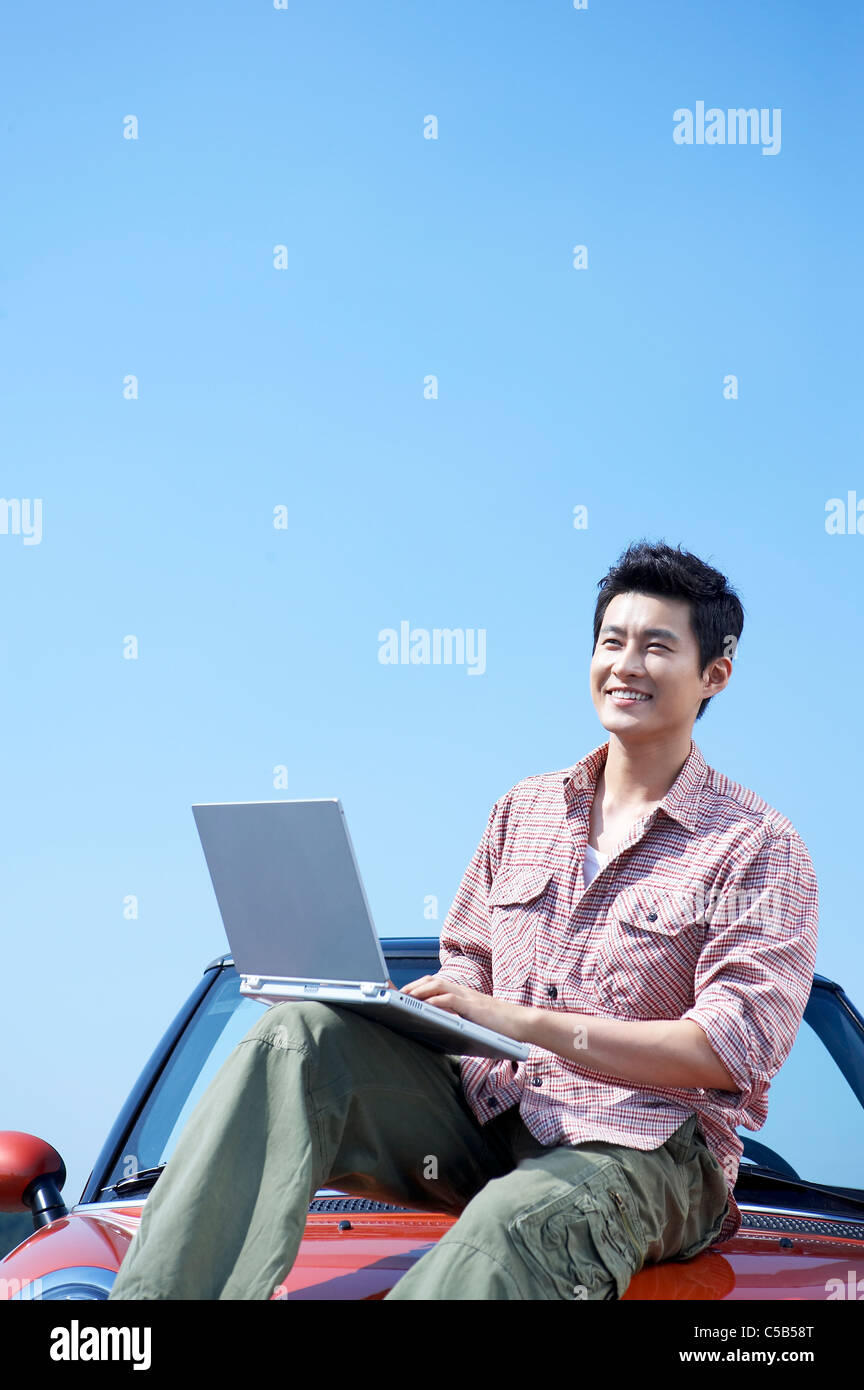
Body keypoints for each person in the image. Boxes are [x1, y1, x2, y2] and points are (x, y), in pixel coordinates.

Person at [108, 538, 818, 1300]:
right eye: (611, 642)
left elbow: (727, 1049)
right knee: (297, 1036)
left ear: (715, 673)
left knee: (505, 1230)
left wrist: (519, 1021)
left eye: (657, 647)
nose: (626, 665)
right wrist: (414, 1011)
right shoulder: (524, 809)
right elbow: (468, 964)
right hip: (493, 1112)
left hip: (649, 1150)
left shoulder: (757, 845)